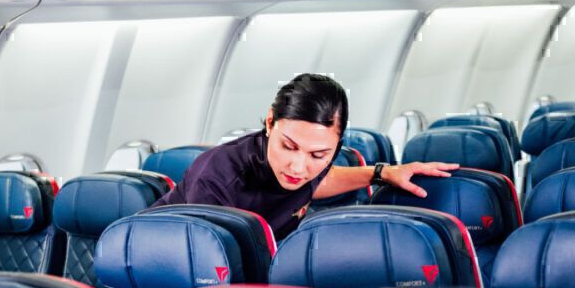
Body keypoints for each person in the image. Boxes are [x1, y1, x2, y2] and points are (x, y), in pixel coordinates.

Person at [149, 73, 458, 239]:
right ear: (270, 122)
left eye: (319, 154)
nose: (299, 167)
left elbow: (322, 180)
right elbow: (199, 264)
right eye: (289, 146)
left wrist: (383, 173)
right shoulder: (217, 179)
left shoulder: (309, 169)